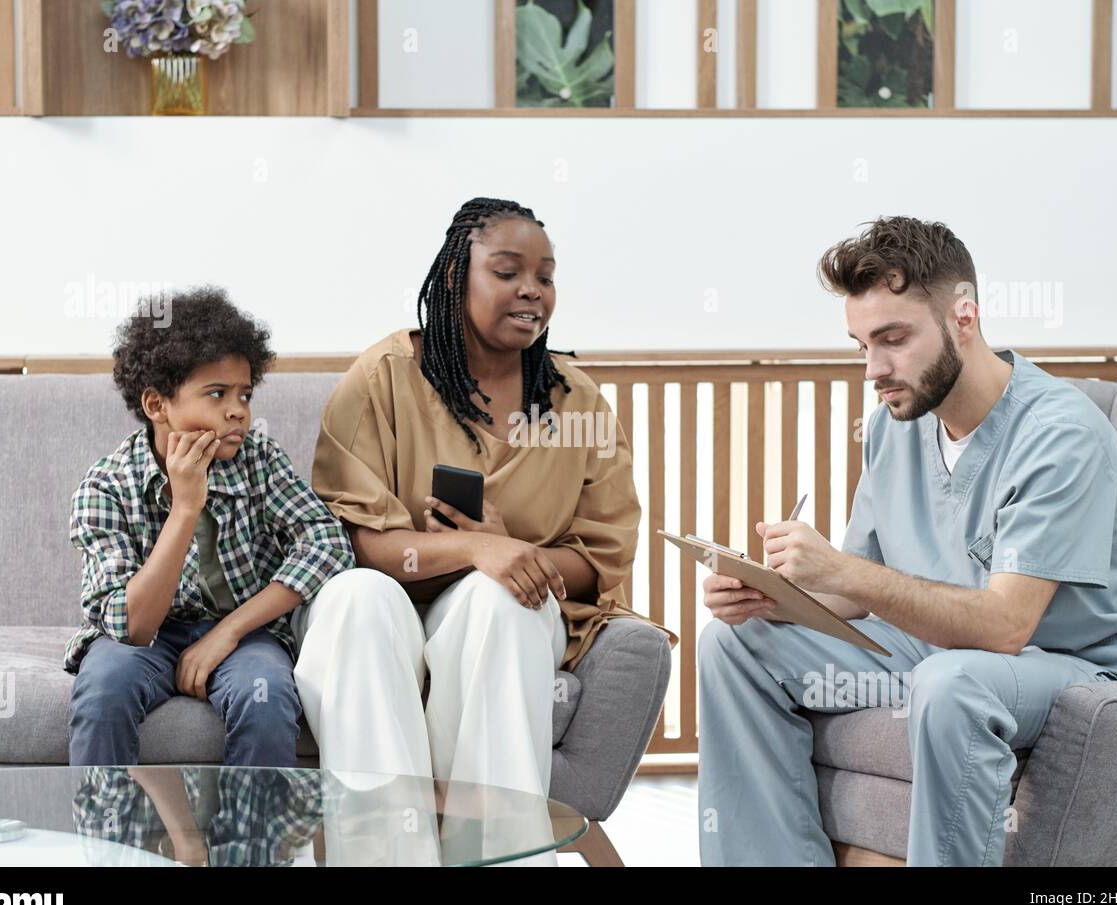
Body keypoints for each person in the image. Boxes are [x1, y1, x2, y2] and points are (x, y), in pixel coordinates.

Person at [697, 216, 1117, 866]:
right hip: (934, 651)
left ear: (963, 320)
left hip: (1075, 666)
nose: (874, 368)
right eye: (861, 344)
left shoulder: (1059, 433)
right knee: (735, 643)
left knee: (952, 684)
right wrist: (770, 597)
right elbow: (855, 592)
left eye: (892, 339)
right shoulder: (895, 426)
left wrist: (841, 571)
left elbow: (1007, 628)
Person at [295, 197, 673, 806]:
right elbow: (355, 547)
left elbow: (600, 563)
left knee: (502, 600)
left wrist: (513, 559)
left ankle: (495, 843)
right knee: (357, 598)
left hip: (509, 612)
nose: (532, 291)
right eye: (507, 273)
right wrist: (476, 546)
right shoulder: (382, 378)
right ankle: (388, 847)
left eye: (545, 277)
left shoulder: (577, 402)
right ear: (455, 276)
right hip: (388, 601)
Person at [66, 287, 354, 768]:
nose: (238, 410)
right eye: (217, 394)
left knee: (265, 697)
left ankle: (252, 844)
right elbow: (132, 626)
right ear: (158, 405)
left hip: (244, 634)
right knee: (102, 692)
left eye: (245, 393)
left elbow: (326, 542)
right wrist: (184, 509)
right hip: (143, 638)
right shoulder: (106, 486)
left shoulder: (258, 459)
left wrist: (229, 631)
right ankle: (106, 843)